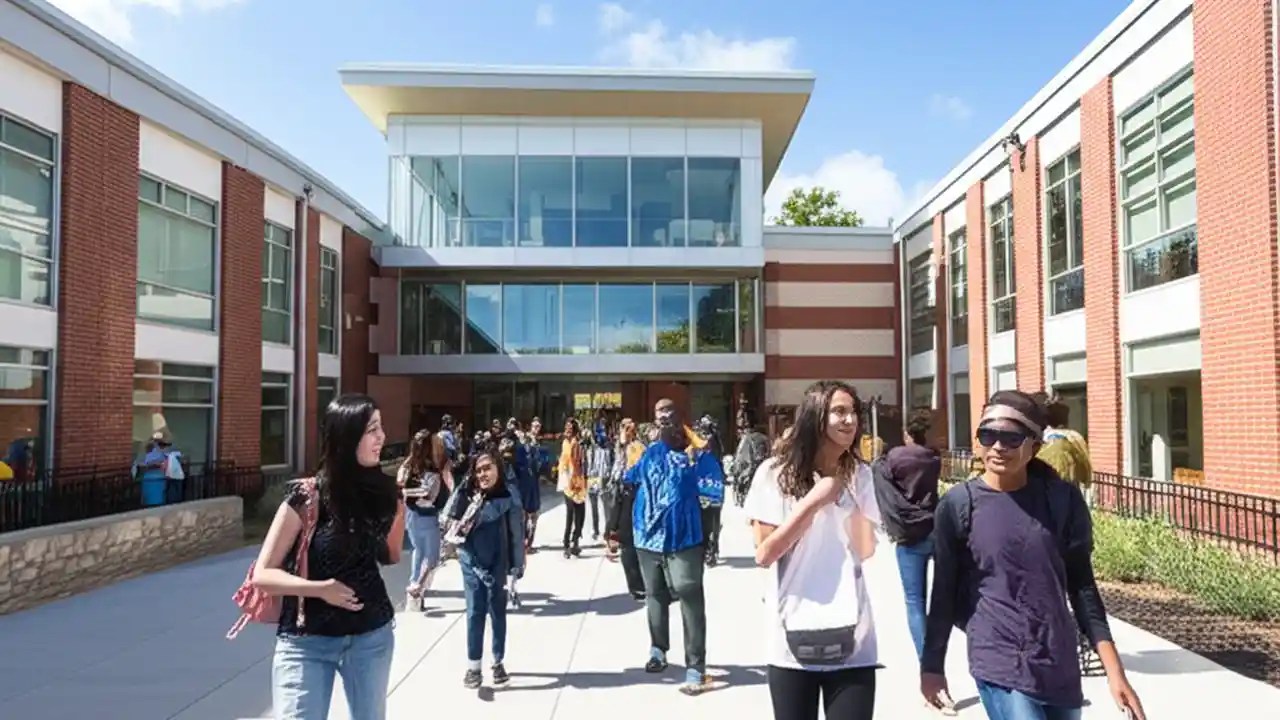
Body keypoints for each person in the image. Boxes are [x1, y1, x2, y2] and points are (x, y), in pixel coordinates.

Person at [921, 390, 1146, 720]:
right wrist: (931, 667)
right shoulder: (958, 506)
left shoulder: (1062, 501)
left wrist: (1115, 671)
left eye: (1011, 438)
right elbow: (943, 594)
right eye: (989, 435)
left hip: (1058, 661)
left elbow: (1082, 587)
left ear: (1035, 447)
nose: (998, 446)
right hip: (998, 658)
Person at [254, 394, 405, 720]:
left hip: (371, 636)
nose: (382, 437)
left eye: (381, 428)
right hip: (305, 643)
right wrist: (321, 588)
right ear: (347, 437)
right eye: (372, 429)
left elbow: (390, 557)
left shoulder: (385, 492)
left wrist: (399, 507)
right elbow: (263, 575)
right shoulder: (307, 496)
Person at [744, 380, 881, 720]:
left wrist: (847, 501)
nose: (850, 420)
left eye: (853, 413)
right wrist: (815, 500)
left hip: (854, 636)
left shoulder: (861, 475)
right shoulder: (774, 475)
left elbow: (865, 550)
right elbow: (764, 554)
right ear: (815, 416)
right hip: (791, 636)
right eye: (839, 411)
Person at [624, 398, 724, 696]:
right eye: (659, 415)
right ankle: (658, 649)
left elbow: (713, 496)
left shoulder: (699, 456)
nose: (664, 418)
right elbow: (626, 480)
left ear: (682, 418)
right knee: (654, 594)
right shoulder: (649, 453)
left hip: (686, 538)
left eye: (669, 413)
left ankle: (696, 666)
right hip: (646, 538)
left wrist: (711, 539)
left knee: (689, 595)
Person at [448, 446, 526, 689]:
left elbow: (516, 533)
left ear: (497, 469)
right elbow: (450, 523)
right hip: (471, 560)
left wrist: (517, 565)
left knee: (497, 611)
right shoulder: (465, 492)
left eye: (488, 468)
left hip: (497, 561)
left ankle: (497, 661)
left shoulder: (508, 494)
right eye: (479, 470)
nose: (483, 474)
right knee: (475, 611)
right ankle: (473, 667)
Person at [871, 409, 942, 673]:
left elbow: (880, 477)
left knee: (915, 602)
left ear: (906, 434)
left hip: (908, 536)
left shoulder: (894, 458)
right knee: (941, 598)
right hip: (934, 527)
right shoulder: (933, 457)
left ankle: (927, 663)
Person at [398, 428, 452, 612]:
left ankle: (415, 588)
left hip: (411, 513)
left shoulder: (409, 465)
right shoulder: (432, 469)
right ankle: (417, 588)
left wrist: (406, 493)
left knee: (418, 551)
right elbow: (430, 494)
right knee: (433, 557)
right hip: (427, 515)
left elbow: (400, 481)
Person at [606, 418, 647, 598]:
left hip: (636, 494)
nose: (625, 430)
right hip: (622, 496)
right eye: (623, 427)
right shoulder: (619, 449)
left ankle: (641, 584)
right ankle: (636, 586)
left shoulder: (639, 447)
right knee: (625, 542)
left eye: (628, 427)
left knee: (633, 543)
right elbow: (616, 472)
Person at [694, 414, 725, 567]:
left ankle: (708, 549)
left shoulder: (702, 442)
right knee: (714, 519)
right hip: (715, 484)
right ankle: (712, 549)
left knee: (706, 521)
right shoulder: (717, 441)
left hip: (704, 485)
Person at [557, 418, 588, 558]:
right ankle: (566, 544)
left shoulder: (578, 444)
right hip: (567, 482)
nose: (567, 430)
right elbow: (563, 463)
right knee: (570, 514)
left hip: (578, 482)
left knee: (580, 514)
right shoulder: (564, 443)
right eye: (566, 427)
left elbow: (581, 464)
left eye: (570, 428)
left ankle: (576, 541)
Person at [732, 409, 769, 508]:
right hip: (764, 477)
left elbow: (741, 462)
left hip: (750, 480)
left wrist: (739, 478)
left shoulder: (747, 440)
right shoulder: (765, 438)